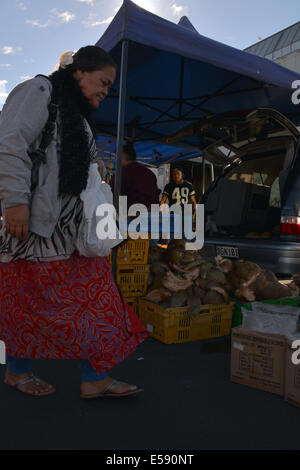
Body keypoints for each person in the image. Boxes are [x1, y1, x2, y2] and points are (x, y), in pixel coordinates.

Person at [0, 46, 149, 398]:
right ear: (79, 72)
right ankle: (18, 372)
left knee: (99, 299)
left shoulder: (78, 116)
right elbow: (9, 144)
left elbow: (85, 162)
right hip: (33, 230)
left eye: (109, 87)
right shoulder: (40, 91)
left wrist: (96, 169)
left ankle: (94, 376)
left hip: (72, 234)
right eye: (104, 82)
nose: (105, 91)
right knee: (26, 303)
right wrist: (15, 202)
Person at [111, 141, 161, 210]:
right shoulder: (150, 173)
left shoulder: (121, 174)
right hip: (153, 216)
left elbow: (114, 197)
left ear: (123, 155)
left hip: (132, 217)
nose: (115, 161)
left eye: (116, 157)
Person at [160, 167, 197, 237]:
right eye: (174, 174)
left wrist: (193, 213)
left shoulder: (188, 185)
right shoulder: (169, 186)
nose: (176, 176)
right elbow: (163, 200)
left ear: (182, 175)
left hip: (185, 214)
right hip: (173, 214)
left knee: (185, 235)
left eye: (178, 174)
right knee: (173, 235)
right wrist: (161, 211)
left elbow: (193, 201)